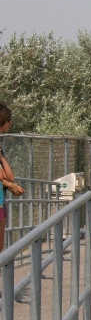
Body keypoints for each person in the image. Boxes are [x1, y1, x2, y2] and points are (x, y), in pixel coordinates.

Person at [0, 104, 26, 252]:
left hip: (1, 201)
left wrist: (1, 158)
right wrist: (9, 185)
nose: (11, 122)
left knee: (0, 245)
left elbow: (9, 176)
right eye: (8, 119)